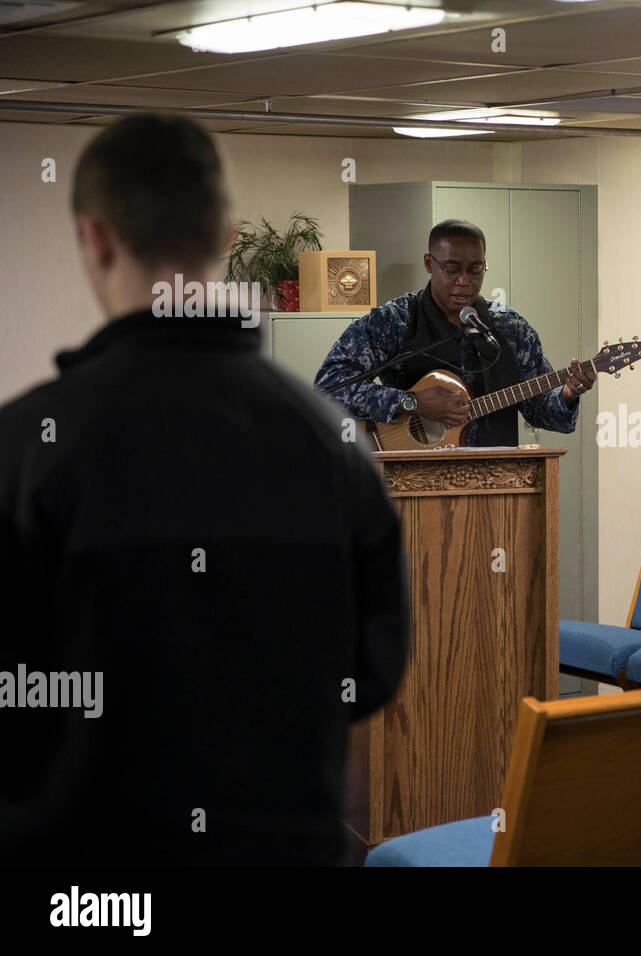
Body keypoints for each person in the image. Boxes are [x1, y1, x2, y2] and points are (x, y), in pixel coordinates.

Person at [0, 113, 409, 865]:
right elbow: (373, 672)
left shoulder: (24, 448)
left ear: (94, 237)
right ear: (227, 234)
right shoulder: (334, 445)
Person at [314, 219, 595, 446]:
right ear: (429, 263)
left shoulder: (511, 329)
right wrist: (410, 402)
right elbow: (329, 387)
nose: (464, 282)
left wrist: (568, 393)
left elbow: (544, 413)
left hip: (497, 484)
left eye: (476, 271)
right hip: (413, 481)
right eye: (452, 269)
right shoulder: (393, 321)